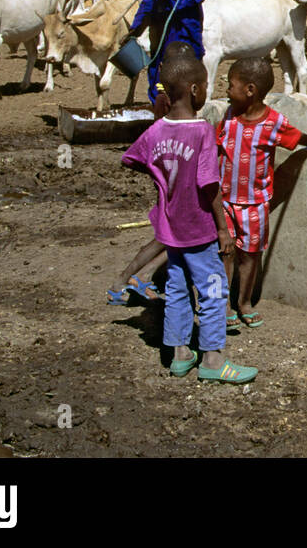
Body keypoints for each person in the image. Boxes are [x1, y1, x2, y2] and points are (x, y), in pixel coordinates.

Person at [120, 52, 257, 383]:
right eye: (207, 86)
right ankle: (212, 360)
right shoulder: (201, 132)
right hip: (199, 228)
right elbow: (209, 185)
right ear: (195, 90)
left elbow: (132, 159)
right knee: (212, 290)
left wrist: (163, 178)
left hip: (170, 229)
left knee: (178, 290)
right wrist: (223, 229)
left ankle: (180, 354)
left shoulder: (156, 131)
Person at [217, 56, 307, 329]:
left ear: (250, 90)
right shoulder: (227, 117)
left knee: (250, 254)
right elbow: (216, 149)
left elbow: (298, 139)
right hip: (224, 201)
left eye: (230, 85)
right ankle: (223, 304)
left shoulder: (273, 123)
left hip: (255, 204)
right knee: (224, 253)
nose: (226, 91)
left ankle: (244, 301)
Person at [105, 42, 198, 305]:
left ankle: (130, 280)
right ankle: (132, 278)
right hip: (176, 185)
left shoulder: (164, 99)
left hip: (170, 181)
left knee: (167, 238)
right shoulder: (171, 105)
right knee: (174, 237)